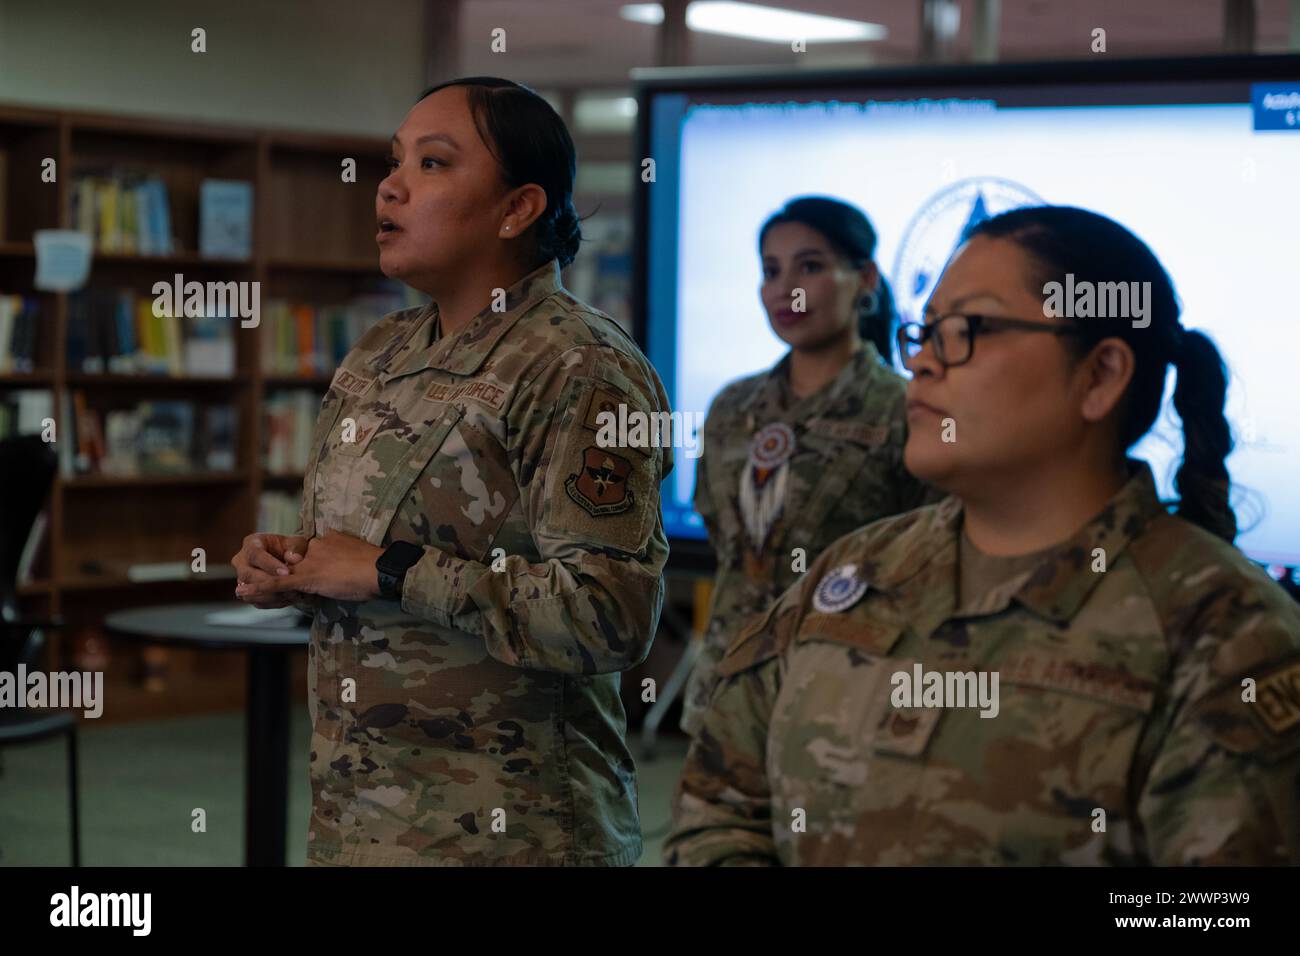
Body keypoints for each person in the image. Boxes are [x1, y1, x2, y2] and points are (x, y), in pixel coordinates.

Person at [665, 205, 1300, 866]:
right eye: (927, 330)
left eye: (970, 329)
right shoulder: (847, 577)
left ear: (1101, 375)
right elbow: (720, 807)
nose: (925, 365)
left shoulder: (1229, 639)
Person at [231, 76, 672, 866]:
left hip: (515, 830)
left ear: (517, 208)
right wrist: (291, 568)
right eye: (393, 161)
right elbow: (346, 560)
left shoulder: (580, 365)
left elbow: (611, 615)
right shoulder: (379, 352)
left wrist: (392, 571)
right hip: (359, 821)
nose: (391, 187)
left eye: (433, 165)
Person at [680, 196, 932, 737]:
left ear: (864, 278)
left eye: (810, 266)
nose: (785, 289)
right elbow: (724, 538)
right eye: (771, 271)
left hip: (846, 704)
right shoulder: (733, 408)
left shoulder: (905, 410)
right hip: (724, 700)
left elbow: (928, 567)